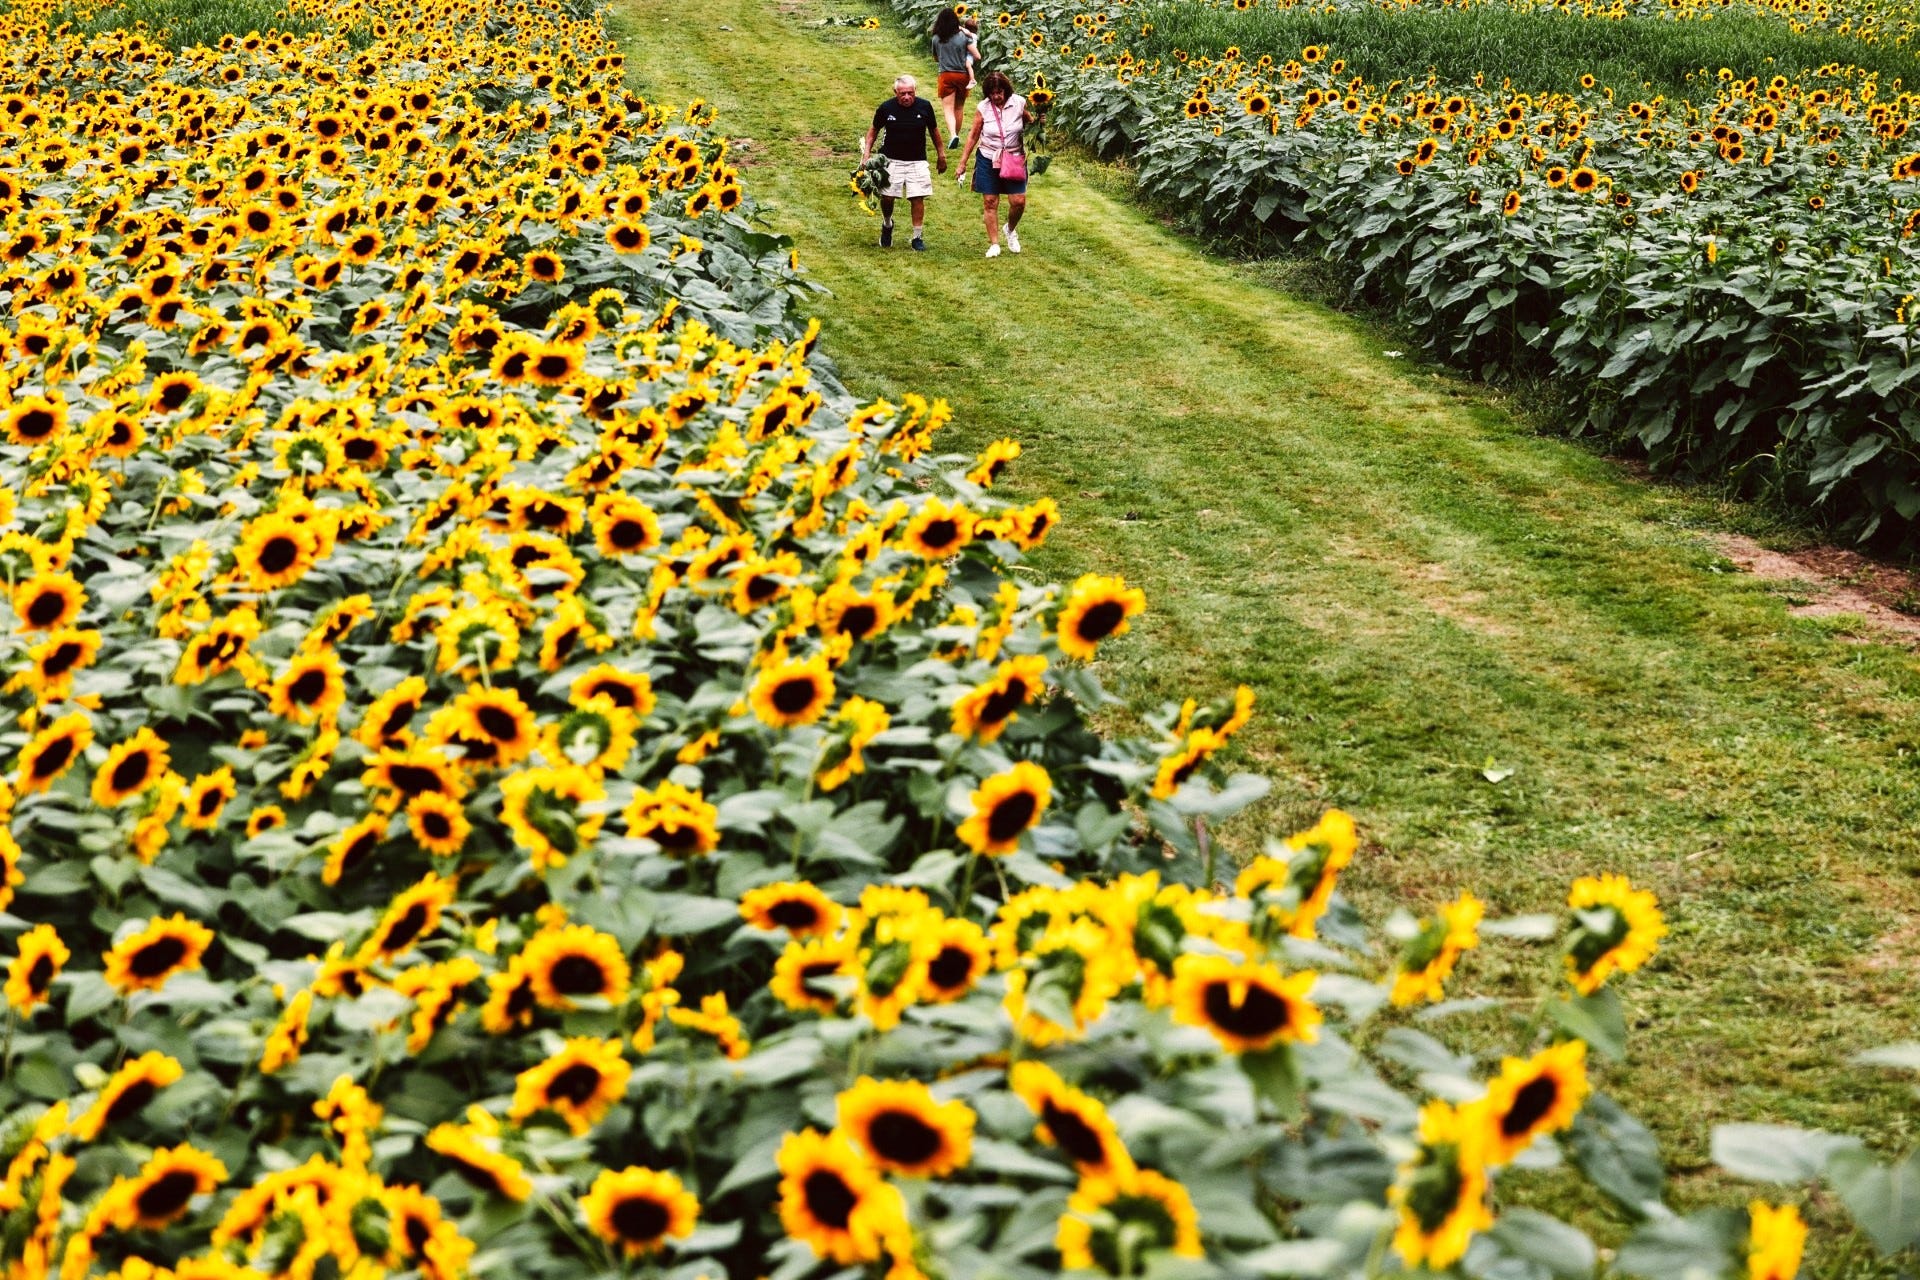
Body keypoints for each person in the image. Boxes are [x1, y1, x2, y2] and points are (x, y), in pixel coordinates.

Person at [862, 74, 946, 251]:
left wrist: (941, 155)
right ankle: (887, 224)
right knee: (888, 197)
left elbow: (934, 131)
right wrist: (866, 155)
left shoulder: (924, 106)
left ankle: (917, 236)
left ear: (915, 91)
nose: (907, 97)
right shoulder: (886, 108)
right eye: (902, 94)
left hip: (917, 160)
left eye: (910, 93)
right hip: (891, 160)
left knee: (917, 197)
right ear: (895, 92)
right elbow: (873, 131)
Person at [956, 70, 1030, 258]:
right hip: (988, 157)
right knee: (990, 201)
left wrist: (1040, 122)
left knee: (1018, 201)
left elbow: (1029, 122)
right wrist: (962, 162)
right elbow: (973, 135)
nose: (996, 96)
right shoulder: (983, 108)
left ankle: (1010, 229)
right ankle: (995, 244)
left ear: (1006, 90)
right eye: (992, 93)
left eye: (999, 92)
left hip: (1013, 157)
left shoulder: (1019, 103)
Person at [930, 9, 977, 150]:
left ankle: (953, 135)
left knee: (948, 109)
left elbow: (935, 58)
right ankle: (956, 134)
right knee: (959, 107)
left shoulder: (936, 38)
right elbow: (975, 54)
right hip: (963, 75)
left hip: (946, 75)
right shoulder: (963, 37)